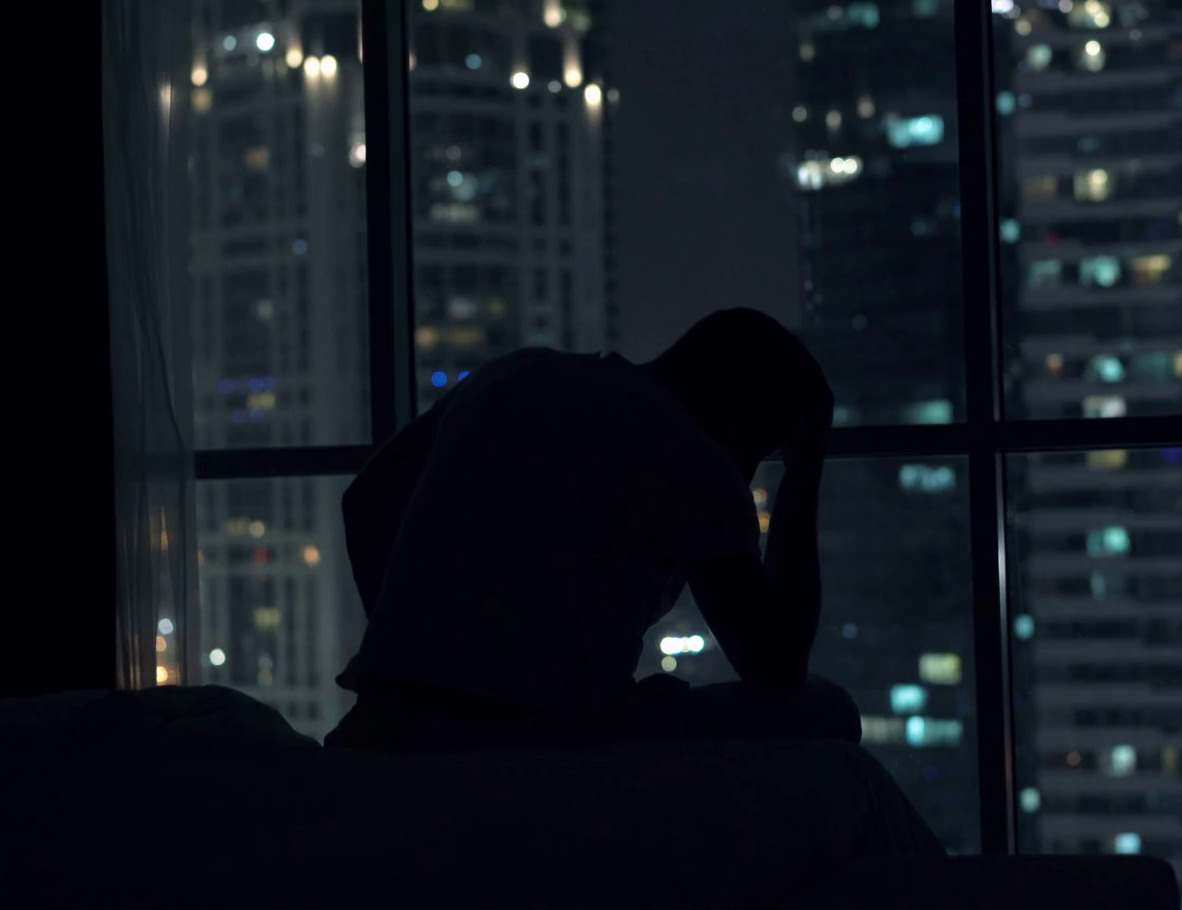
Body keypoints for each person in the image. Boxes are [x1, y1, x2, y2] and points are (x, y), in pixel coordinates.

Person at [325, 308, 860, 753]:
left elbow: (366, 501)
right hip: (546, 734)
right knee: (826, 711)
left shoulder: (517, 372)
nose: (748, 471)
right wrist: (806, 465)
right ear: (738, 407)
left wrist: (422, 657)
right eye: (760, 446)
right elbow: (778, 665)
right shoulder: (692, 459)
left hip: (383, 719)